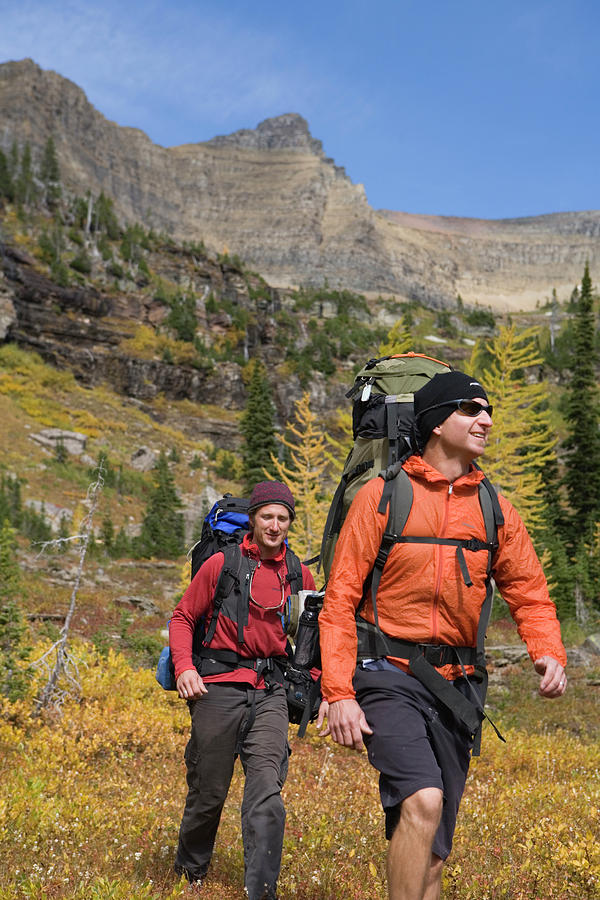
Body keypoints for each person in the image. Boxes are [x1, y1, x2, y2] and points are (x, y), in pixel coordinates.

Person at [316, 370, 567, 900]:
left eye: (488, 409)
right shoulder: (383, 497)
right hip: (388, 673)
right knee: (423, 801)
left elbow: (528, 589)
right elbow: (338, 601)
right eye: (470, 409)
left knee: (434, 852)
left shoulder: (494, 508)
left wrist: (546, 652)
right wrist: (338, 693)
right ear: (435, 423)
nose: (486, 420)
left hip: (458, 687)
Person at [170, 480, 316, 899]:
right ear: (253, 519)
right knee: (209, 792)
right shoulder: (221, 564)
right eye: (267, 516)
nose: (274, 525)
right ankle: (190, 874)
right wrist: (184, 668)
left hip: (271, 690)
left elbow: (312, 638)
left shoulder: (298, 573)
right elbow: (182, 618)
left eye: (282, 518)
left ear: (290, 523)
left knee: (266, 789)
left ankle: (262, 890)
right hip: (216, 687)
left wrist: (317, 688)